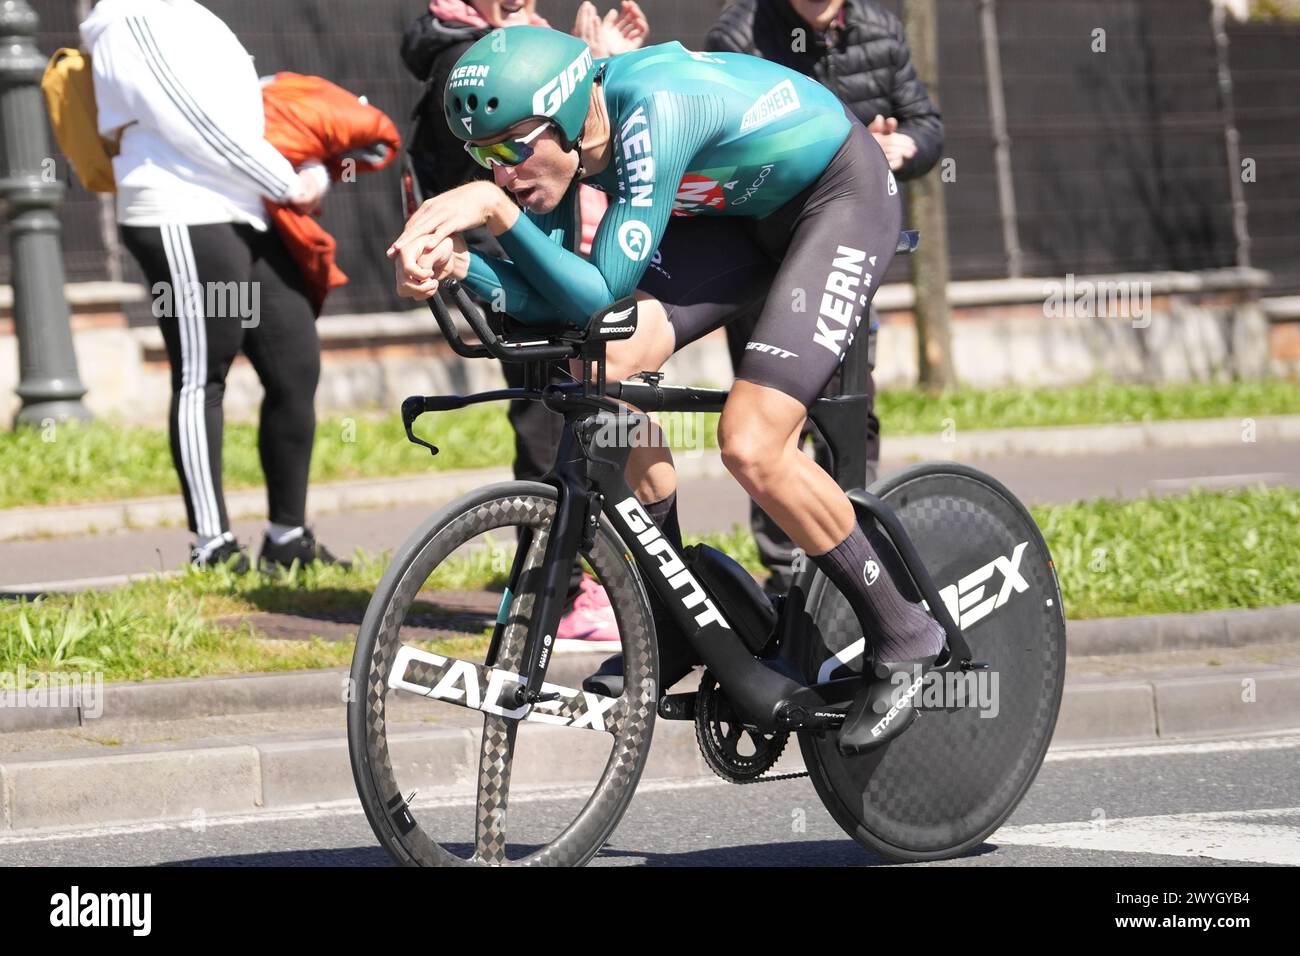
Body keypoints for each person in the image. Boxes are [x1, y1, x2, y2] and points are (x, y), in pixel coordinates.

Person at [388, 29, 947, 752]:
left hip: (834, 199)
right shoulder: (569, 147)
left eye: (510, 150)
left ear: (564, 113)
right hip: (735, 222)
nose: (502, 175)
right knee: (598, 369)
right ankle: (675, 616)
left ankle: (905, 630)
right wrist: (460, 266)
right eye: (483, 158)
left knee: (752, 444)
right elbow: (565, 303)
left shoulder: (654, 106)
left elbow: (603, 286)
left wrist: (497, 217)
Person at [399, 1, 648, 641]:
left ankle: (594, 590)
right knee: (552, 431)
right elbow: (502, 183)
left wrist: (603, 67)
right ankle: (559, 592)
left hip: (570, 258)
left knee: (602, 418)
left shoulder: (527, 40)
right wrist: (470, 245)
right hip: (529, 264)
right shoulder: (474, 61)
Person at [80, 0, 349, 573]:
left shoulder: (187, 14)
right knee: (203, 372)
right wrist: (288, 182)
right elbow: (191, 120)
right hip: (178, 213)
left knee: (294, 365)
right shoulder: (134, 17)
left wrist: (317, 158)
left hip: (244, 209)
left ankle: (287, 539)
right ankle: (213, 547)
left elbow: (241, 107)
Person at [706, 0, 944, 596]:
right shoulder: (740, 32)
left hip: (847, 247)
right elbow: (719, 143)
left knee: (849, 414)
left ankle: (855, 561)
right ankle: (786, 570)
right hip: (766, 258)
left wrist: (901, 149)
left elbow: (927, 123)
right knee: (764, 421)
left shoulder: (881, 28)